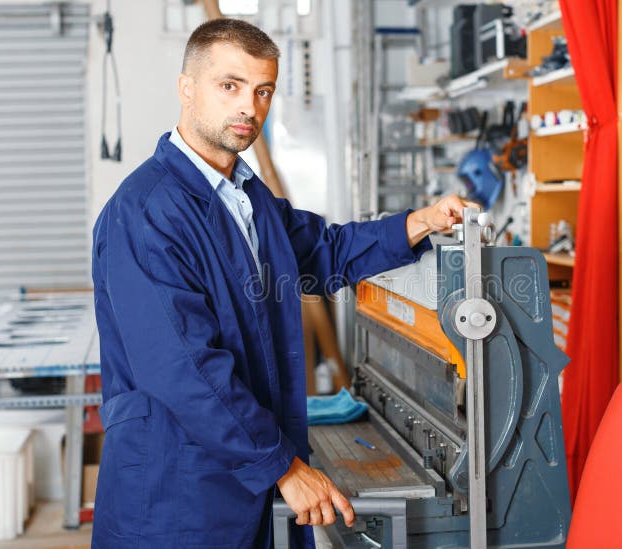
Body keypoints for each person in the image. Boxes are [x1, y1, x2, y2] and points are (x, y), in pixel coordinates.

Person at [91, 18, 473, 549]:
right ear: (186, 87)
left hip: (248, 471)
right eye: (230, 86)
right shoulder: (147, 212)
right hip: (178, 491)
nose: (249, 106)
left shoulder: (248, 198)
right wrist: (284, 467)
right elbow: (186, 369)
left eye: (263, 89)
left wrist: (423, 221)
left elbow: (325, 250)